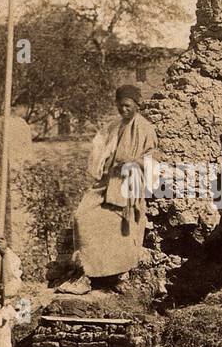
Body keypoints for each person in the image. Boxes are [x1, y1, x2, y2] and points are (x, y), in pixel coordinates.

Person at [65, 85, 159, 292]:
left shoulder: (144, 128)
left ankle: (115, 276)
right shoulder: (114, 126)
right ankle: (85, 273)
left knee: (117, 229)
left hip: (127, 187)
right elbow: (101, 151)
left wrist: (131, 162)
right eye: (120, 106)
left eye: (127, 106)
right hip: (107, 184)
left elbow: (153, 159)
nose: (123, 110)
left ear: (136, 105)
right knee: (82, 217)